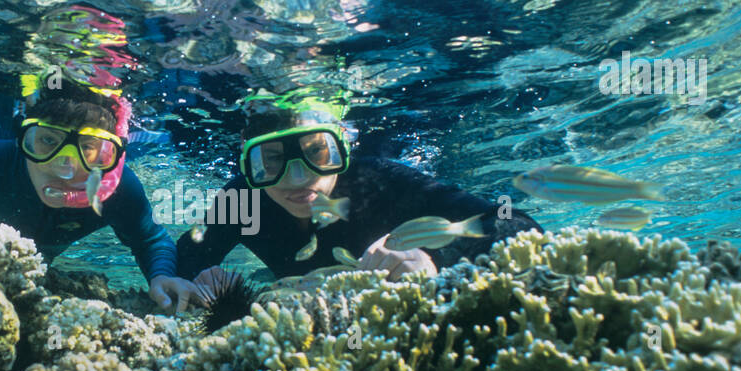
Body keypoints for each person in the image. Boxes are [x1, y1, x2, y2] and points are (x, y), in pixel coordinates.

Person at [0, 5, 200, 313]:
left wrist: (162, 277)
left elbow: (150, 239)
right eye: (48, 141)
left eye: (89, 148)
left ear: (113, 153)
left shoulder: (119, 189)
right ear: (23, 139)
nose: (66, 168)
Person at [178, 92, 542, 289]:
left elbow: (517, 224)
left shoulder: (379, 181)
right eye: (271, 161)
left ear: (342, 150)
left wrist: (436, 260)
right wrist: (201, 277)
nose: (297, 178)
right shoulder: (242, 200)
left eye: (316, 152)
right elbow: (188, 254)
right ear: (248, 166)